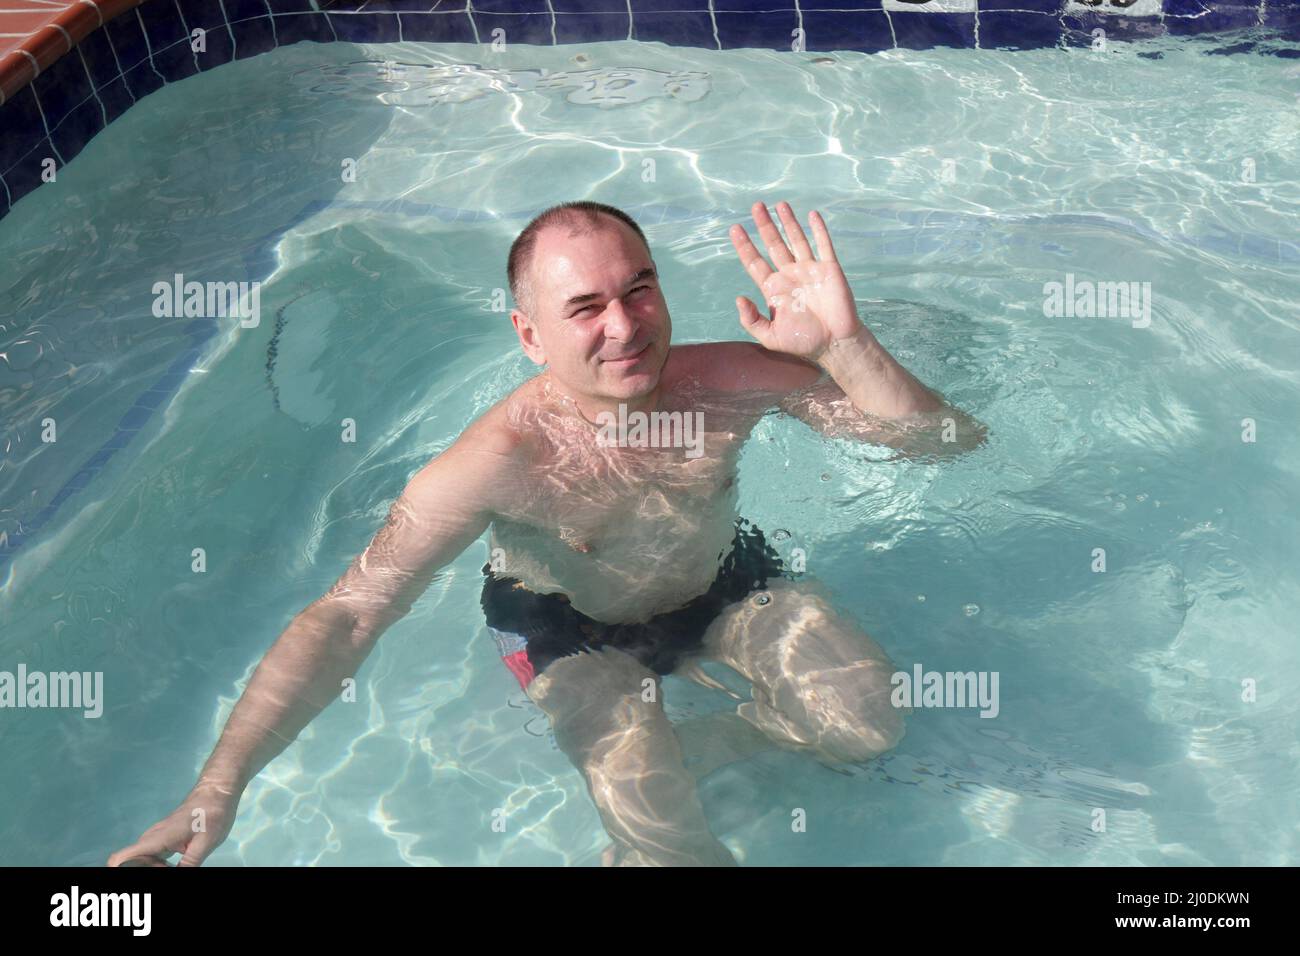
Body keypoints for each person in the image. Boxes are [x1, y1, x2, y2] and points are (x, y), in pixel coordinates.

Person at [108, 200, 986, 868]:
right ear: (529, 334)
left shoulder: (728, 382)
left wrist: (846, 344)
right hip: (569, 634)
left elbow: (942, 449)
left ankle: (719, 738)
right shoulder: (491, 464)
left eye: (639, 288)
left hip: (725, 584)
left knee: (868, 726)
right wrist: (217, 788)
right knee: (666, 834)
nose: (625, 325)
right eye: (585, 307)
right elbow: (346, 618)